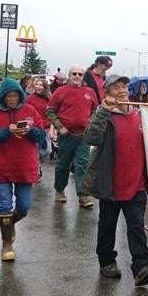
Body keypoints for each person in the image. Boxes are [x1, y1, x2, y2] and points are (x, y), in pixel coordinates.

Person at [81, 74, 148, 286]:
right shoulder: (105, 116)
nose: (122, 90)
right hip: (111, 184)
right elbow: (91, 138)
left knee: (136, 226)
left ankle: (141, 267)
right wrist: (103, 110)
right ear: (107, 93)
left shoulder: (140, 115)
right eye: (116, 87)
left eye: (124, 86)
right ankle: (106, 261)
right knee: (107, 225)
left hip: (137, 185)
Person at [0, 78, 46, 261]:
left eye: (15, 95)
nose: (12, 99)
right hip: (2, 165)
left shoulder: (30, 110)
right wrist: (6, 131)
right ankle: (7, 243)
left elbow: (41, 135)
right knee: (4, 204)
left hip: (25, 165)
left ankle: (8, 226)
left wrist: (30, 131)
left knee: (24, 206)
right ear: (3, 96)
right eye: (8, 96)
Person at [46, 65, 99, 208]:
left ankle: (82, 195)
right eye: (74, 73)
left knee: (82, 165)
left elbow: (96, 110)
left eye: (80, 74)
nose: (77, 76)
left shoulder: (90, 92)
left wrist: (91, 123)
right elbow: (50, 111)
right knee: (63, 165)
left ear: (83, 76)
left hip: (83, 136)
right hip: (66, 135)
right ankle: (59, 190)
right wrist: (60, 127)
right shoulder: (60, 91)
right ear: (69, 75)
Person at [25, 76, 53, 177]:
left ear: (45, 87)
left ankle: (38, 164)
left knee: (47, 151)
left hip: (46, 128)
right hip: (34, 128)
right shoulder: (28, 99)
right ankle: (36, 170)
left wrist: (52, 129)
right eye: (36, 84)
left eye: (41, 85)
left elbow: (53, 114)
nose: (38, 86)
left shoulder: (49, 99)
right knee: (35, 150)